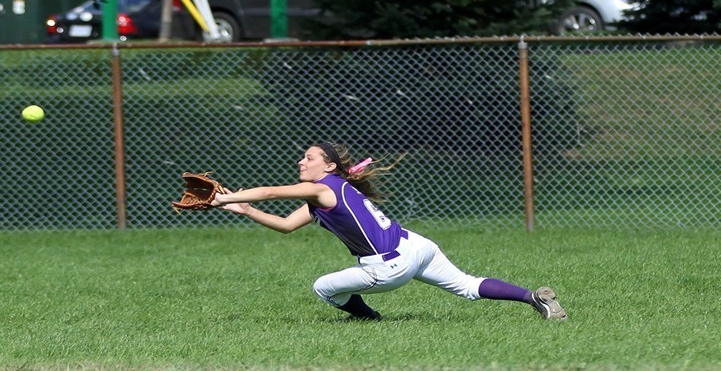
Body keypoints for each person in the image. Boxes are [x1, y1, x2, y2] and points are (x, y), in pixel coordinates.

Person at [211, 142, 567, 322]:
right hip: (416, 245)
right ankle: (534, 299)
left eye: (310, 157)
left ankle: (370, 318)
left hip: (389, 267)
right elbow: (287, 226)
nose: (302, 162)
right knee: (468, 286)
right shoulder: (328, 192)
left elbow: (272, 191)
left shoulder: (323, 188)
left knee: (322, 287)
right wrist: (245, 209)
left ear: (329, 166)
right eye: (303, 157)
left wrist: (222, 199)